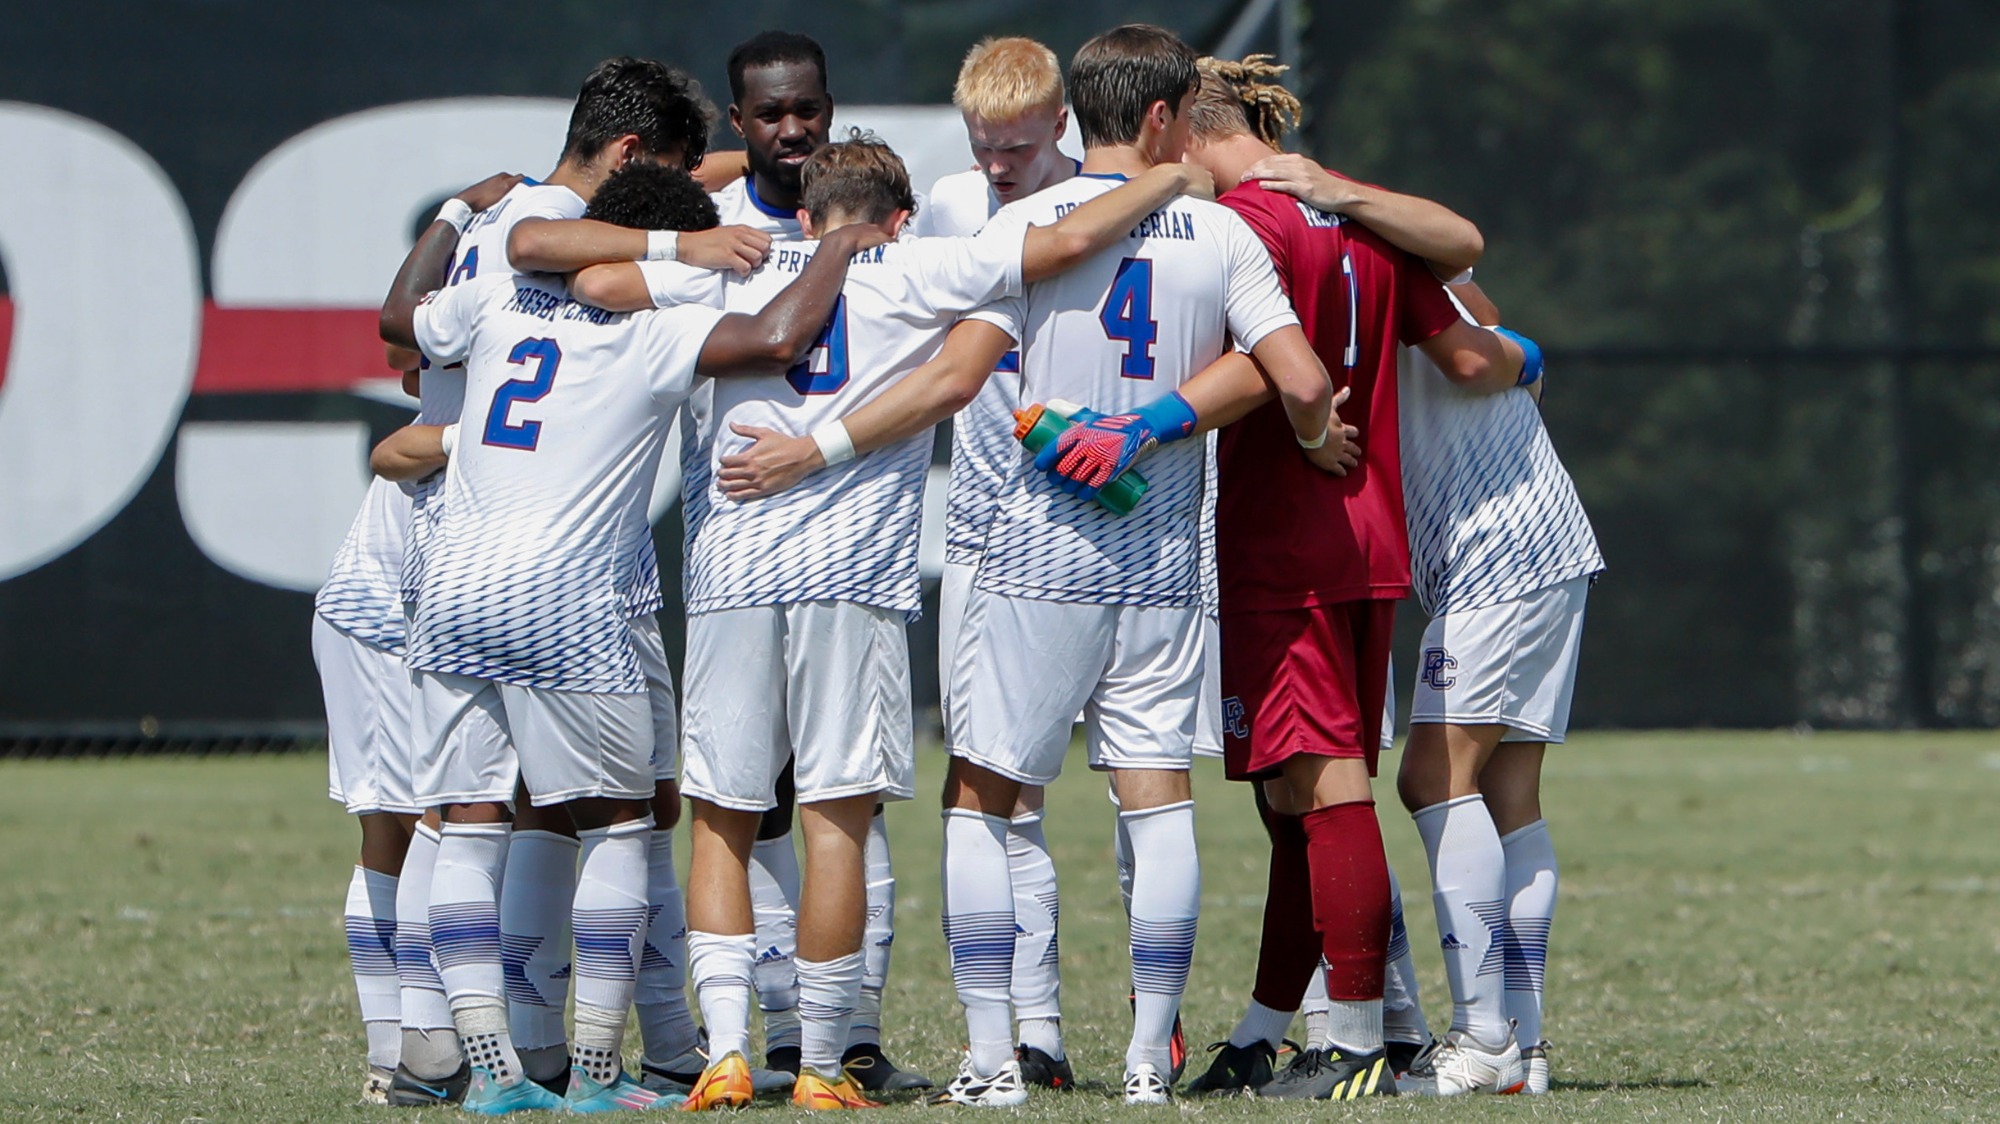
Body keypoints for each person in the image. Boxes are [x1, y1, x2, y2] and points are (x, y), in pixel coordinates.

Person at [712, 24, 1346, 1106]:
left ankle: (994, 1056)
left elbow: (958, 382)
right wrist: (1175, 425)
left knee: (982, 798)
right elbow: (1294, 377)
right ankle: (1149, 1061)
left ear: (1074, 116)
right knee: (1155, 799)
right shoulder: (1219, 233)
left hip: (1031, 554)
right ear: (1160, 118)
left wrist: (820, 447)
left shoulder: (1019, 228)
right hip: (1156, 556)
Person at [538, 132, 1197, 1112]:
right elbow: (1060, 246)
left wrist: (689, 249)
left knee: (721, 814)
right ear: (899, 217)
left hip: (727, 566)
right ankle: (817, 1063)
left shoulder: (737, 263)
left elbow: (589, 279)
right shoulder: (919, 260)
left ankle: (724, 1050)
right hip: (849, 578)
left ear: (803, 213)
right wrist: (1171, 175)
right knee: (835, 816)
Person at [1040, 52, 1539, 1100]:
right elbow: (1460, 298)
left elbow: (1265, 368)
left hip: (1287, 536)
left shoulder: (1248, 227)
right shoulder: (1358, 223)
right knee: (1294, 794)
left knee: (1323, 783)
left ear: (1192, 130)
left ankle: (1356, 1036)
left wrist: (1145, 425)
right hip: (1366, 535)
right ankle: (1271, 1021)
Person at [374, 160, 886, 1114]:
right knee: (619, 823)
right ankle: (600, 1078)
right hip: (568, 599)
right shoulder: (657, 329)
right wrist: (841, 247)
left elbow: (401, 319)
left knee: (470, 826)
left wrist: (450, 213)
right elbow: (781, 335)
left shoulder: (493, 299)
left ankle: (494, 1079)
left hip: (451, 587)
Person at [312, 174, 519, 1105]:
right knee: (407, 824)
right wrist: (454, 213)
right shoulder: (490, 312)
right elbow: (401, 382)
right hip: (380, 608)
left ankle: (416, 1049)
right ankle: (403, 1052)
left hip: (427, 605)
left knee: (433, 821)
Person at [914, 35, 1083, 1090]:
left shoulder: (1103, 205)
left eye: (1015, 147)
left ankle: (1122, 1035)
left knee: (1140, 784)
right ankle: (1035, 1034)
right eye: (983, 147)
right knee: (991, 790)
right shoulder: (945, 201)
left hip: (1098, 528)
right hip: (978, 533)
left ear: (1059, 126)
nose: (996, 167)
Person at [1393, 275, 1602, 1097]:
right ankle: (1524, 1041)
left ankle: (1484, 1043)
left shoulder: (1358, 241)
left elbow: (1476, 338)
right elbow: (1484, 316)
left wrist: (1516, 353)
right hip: (1532, 542)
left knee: (1432, 777)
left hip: (1501, 550)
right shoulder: (1354, 236)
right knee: (1509, 791)